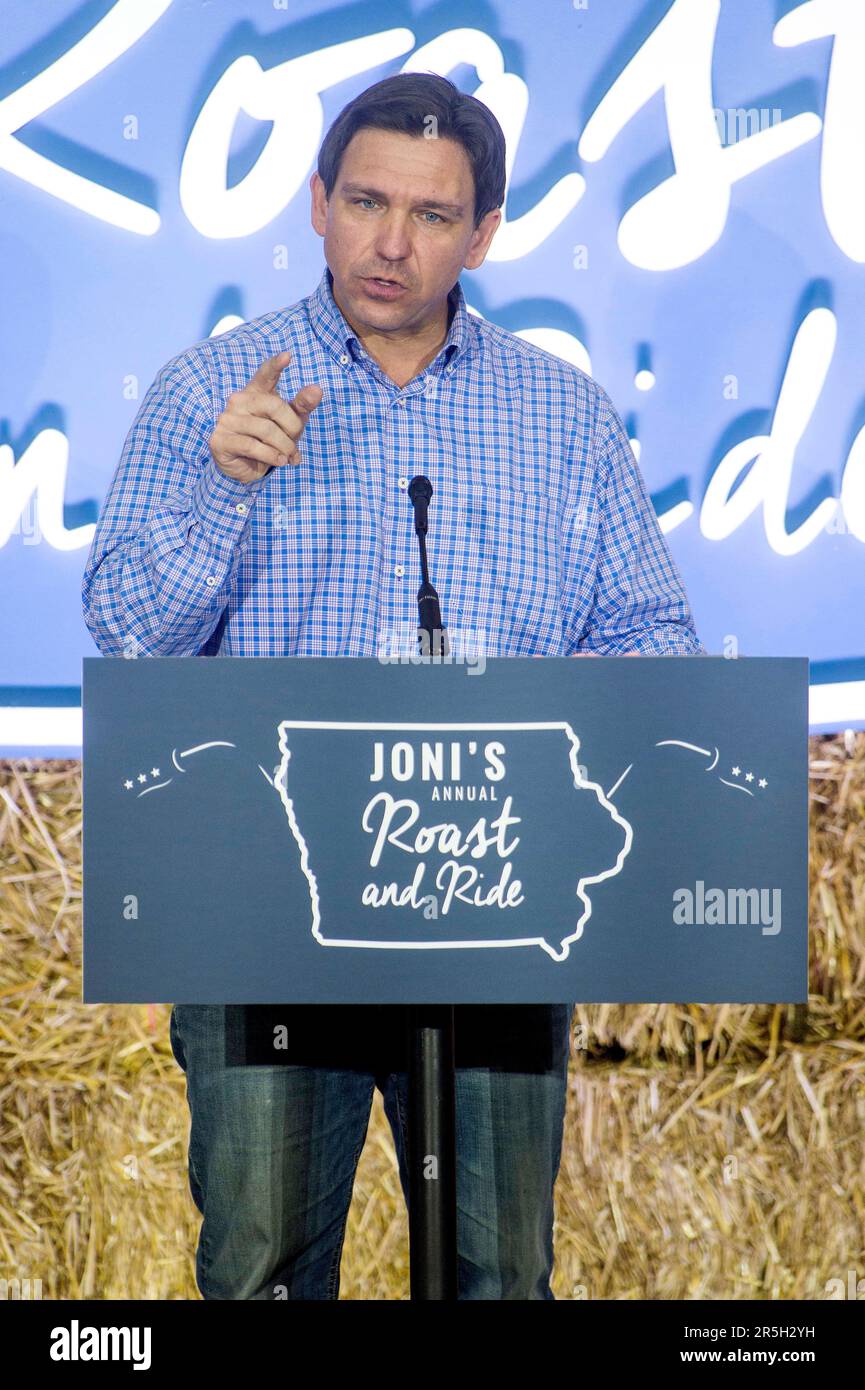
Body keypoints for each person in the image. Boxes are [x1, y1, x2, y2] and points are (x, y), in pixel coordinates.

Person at [81, 72, 703, 1300]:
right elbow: (125, 647)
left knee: (498, 1276)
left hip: (493, 911)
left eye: (430, 215)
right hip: (266, 917)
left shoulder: (563, 417)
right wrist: (219, 489)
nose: (390, 239)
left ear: (483, 235)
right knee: (261, 1265)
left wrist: (560, 735)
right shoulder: (207, 392)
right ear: (317, 202)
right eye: (365, 200)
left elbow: (653, 641)